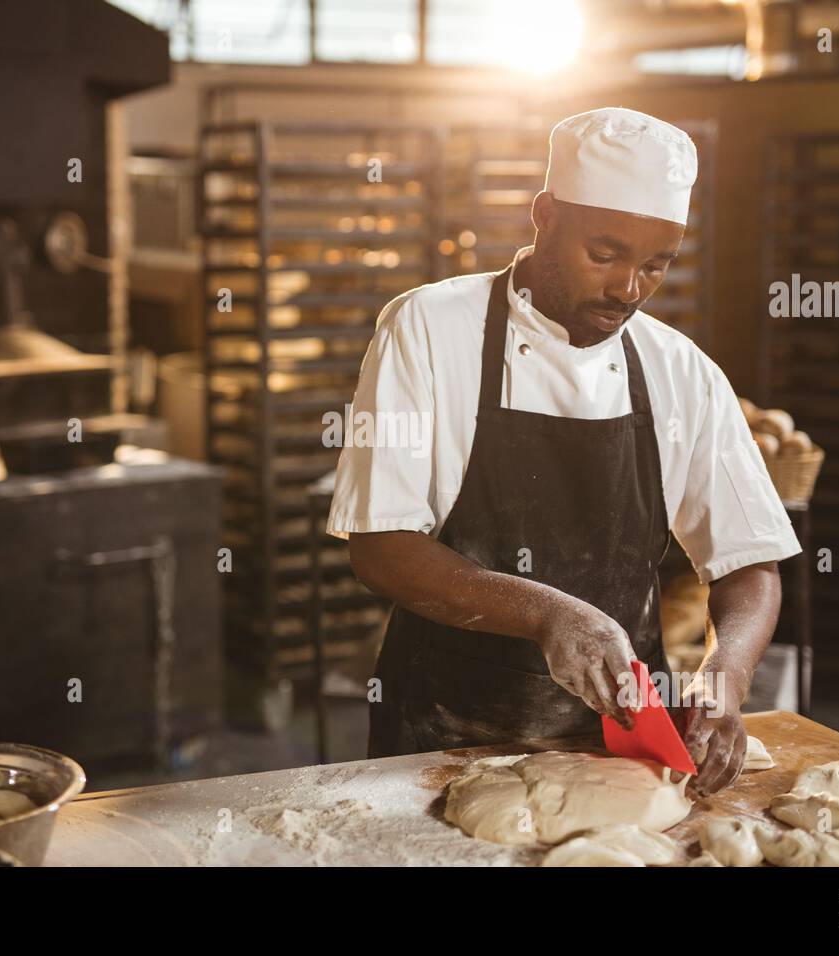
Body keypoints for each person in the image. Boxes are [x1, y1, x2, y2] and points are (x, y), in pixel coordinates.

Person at [327, 108, 801, 795]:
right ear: (544, 215)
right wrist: (549, 614)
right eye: (604, 255)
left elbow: (750, 561)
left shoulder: (681, 371)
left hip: (621, 743)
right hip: (444, 737)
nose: (627, 289)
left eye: (655, 266)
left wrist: (726, 675)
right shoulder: (430, 328)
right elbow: (379, 545)